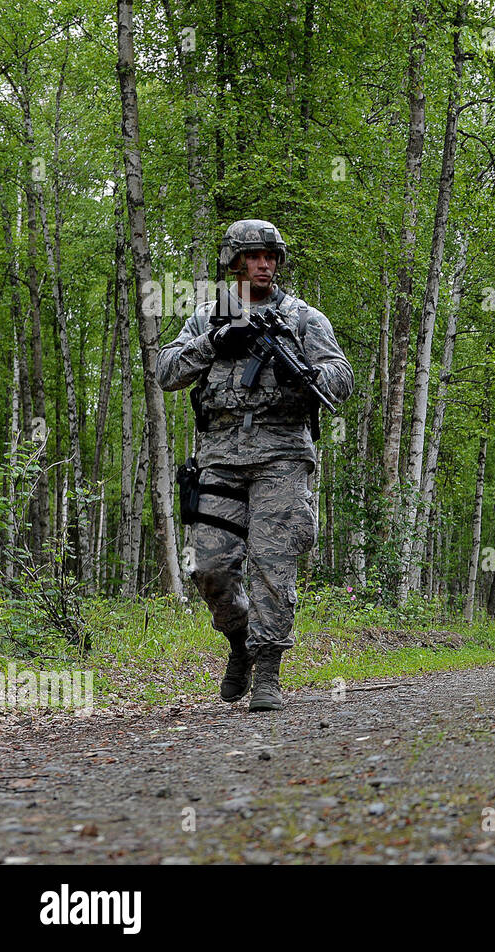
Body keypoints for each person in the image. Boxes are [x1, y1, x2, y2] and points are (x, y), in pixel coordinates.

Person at [156, 219, 353, 711]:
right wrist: (214, 344)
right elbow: (166, 371)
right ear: (234, 261)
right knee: (210, 567)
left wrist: (305, 372)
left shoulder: (303, 318)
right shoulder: (206, 317)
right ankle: (240, 640)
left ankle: (267, 670)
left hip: (282, 458)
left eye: (271, 256)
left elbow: (341, 375)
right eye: (254, 255)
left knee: (272, 567)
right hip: (219, 459)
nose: (265, 264)